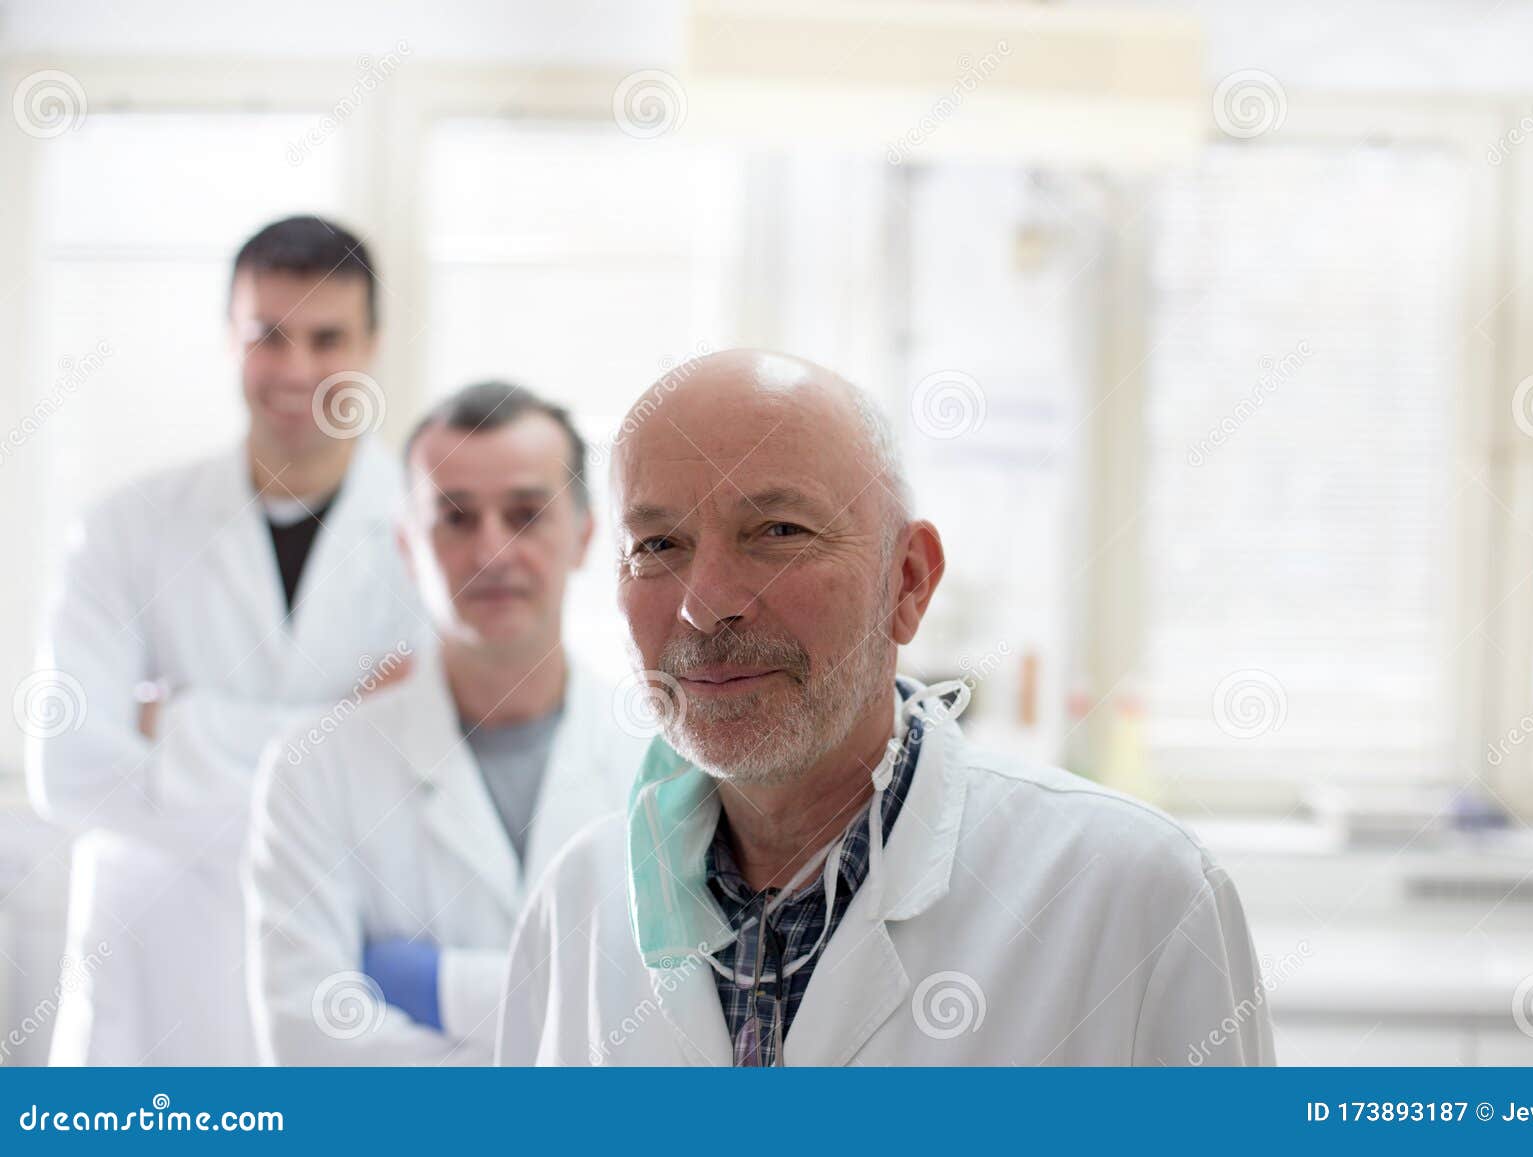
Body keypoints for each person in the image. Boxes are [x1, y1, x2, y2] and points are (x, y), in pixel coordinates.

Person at [497, 349, 1275, 1066]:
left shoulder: (1134, 895)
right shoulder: (578, 905)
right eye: (660, 544)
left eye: (777, 531)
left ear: (907, 582)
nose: (707, 607)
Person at [27, 215, 425, 1065]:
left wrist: (179, 728)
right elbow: (67, 771)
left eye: (327, 337)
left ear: (373, 345)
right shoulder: (124, 529)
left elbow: (422, 792)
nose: (297, 370)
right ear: (229, 339)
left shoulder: (437, 537)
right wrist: (341, 734)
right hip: (147, 976)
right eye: (268, 336)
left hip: (344, 983)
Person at [246, 382, 646, 1065]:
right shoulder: (312, 769)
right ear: (407, 543)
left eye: (525, 514)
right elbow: (311, 1051)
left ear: (583, 535)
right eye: (456, 518)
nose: (492, 553)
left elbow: (689, 1030)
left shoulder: (663, 759)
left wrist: (433, 987)